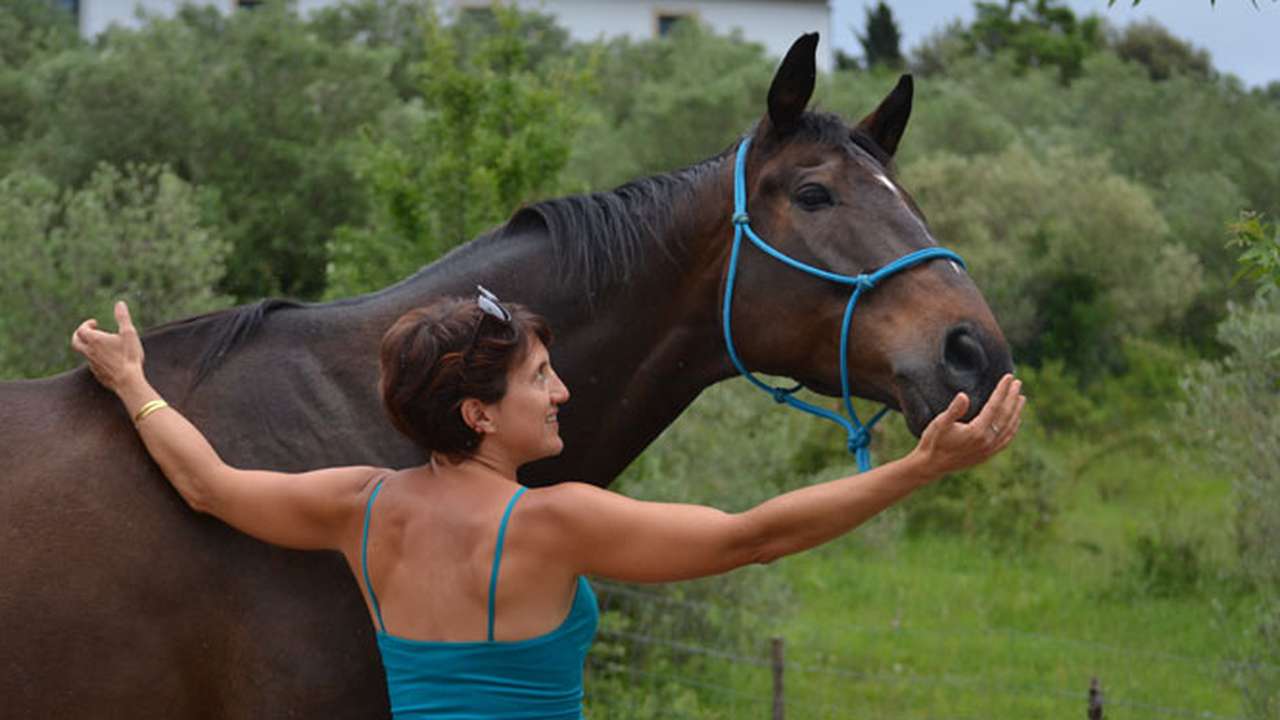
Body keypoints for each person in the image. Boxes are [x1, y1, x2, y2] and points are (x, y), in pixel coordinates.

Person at [71, 288, 1025, 720]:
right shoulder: (553, 522)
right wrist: (917, 469)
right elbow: (752, 538)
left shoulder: (356, 507)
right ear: (482, 413)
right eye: (539, 378)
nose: (563, 391)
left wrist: (133, 385)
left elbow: (207, 484)